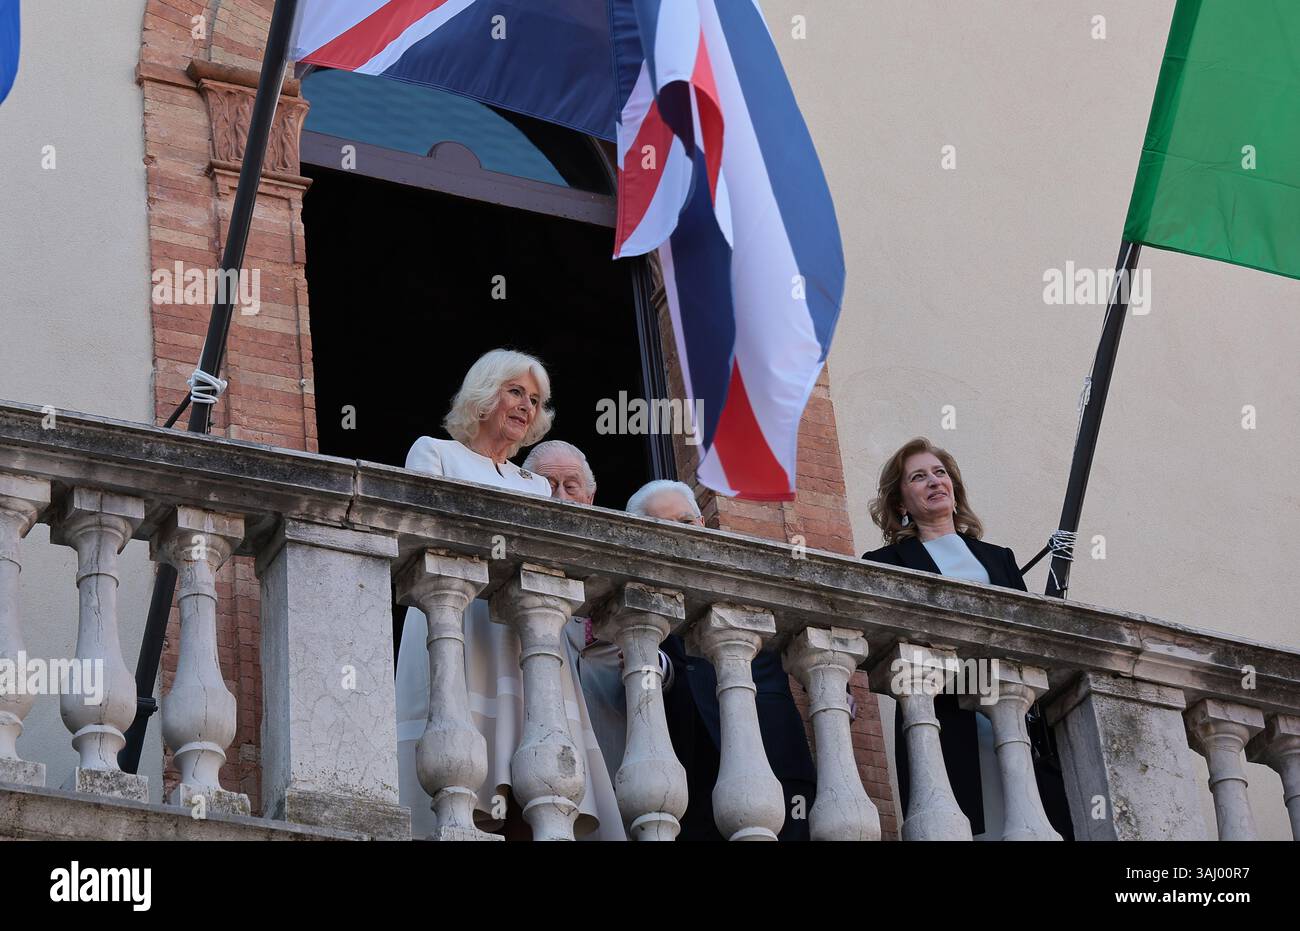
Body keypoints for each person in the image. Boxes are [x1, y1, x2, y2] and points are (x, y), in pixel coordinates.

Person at [395, 350, 624, 840]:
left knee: (537, 770)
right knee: (460, 761)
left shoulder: (536, 486)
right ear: (483, 394)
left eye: (536, 400)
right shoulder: (434, 453)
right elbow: (419, 538)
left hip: (526, 641)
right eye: (515, 392)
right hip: (458, 626)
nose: (526, 406)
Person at [861, 436, 1073, 839]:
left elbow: (1029, 640)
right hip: (944, 717)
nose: (934, 482)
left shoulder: (1000, 559)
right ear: (902, 504)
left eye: (940, 473)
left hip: (1014, 715)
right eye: (918, 477)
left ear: (954, 489)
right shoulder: (886, 565)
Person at [628, 479, 818, 841]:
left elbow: (800, 632)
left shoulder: (750, 570)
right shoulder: (638, 590)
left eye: (685, 523)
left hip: (773, 750)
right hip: (689, 767)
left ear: (701, 524)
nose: (679, 534)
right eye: (662, 527)